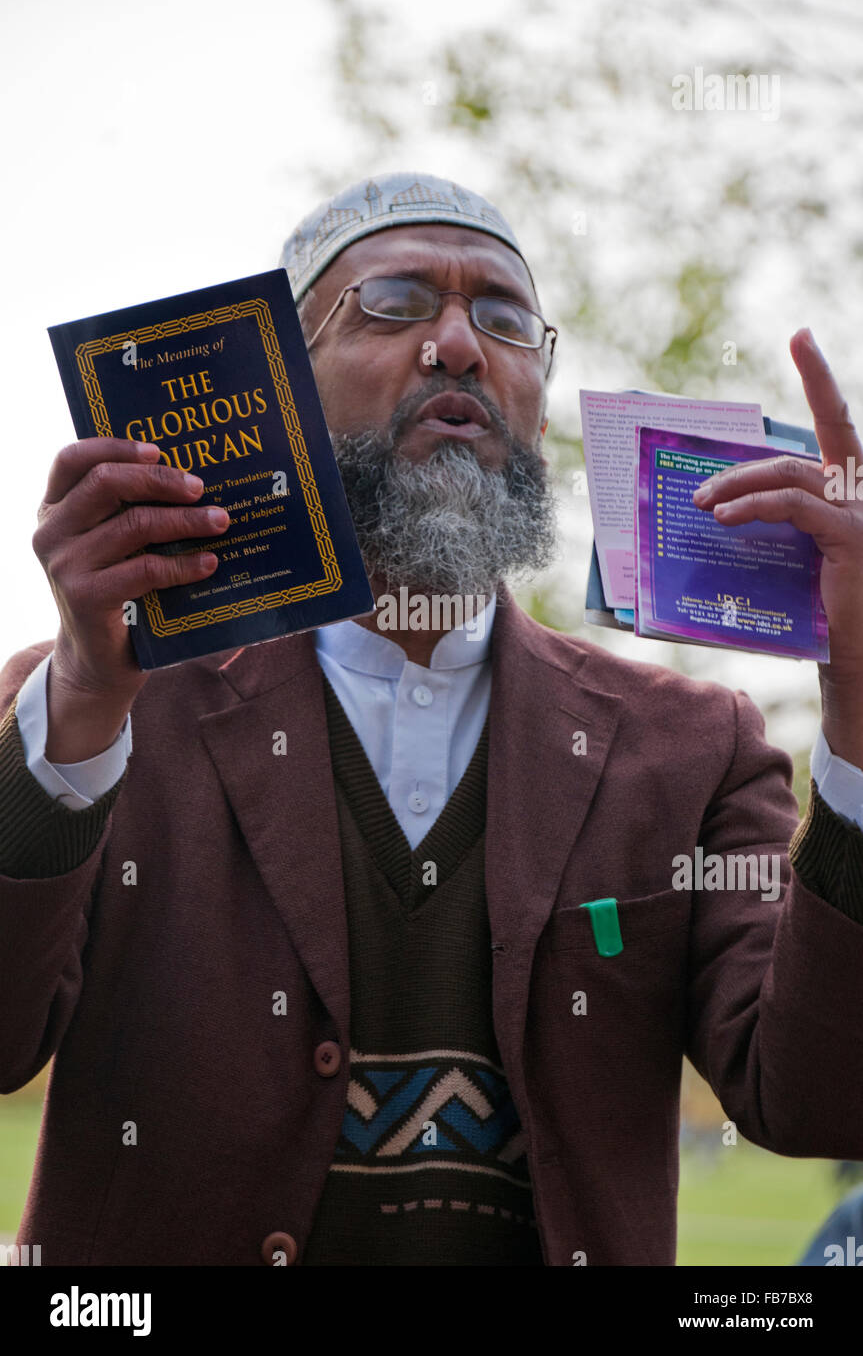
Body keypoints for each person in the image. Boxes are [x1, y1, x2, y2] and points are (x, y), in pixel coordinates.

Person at [1, 171, 862, 1268]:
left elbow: (820, 1099)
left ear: (537, 405)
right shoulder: (104, 710)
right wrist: (79, 704)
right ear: (286, 392)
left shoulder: (690, 748)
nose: (457, 344)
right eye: (395, 302)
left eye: (504, 320)